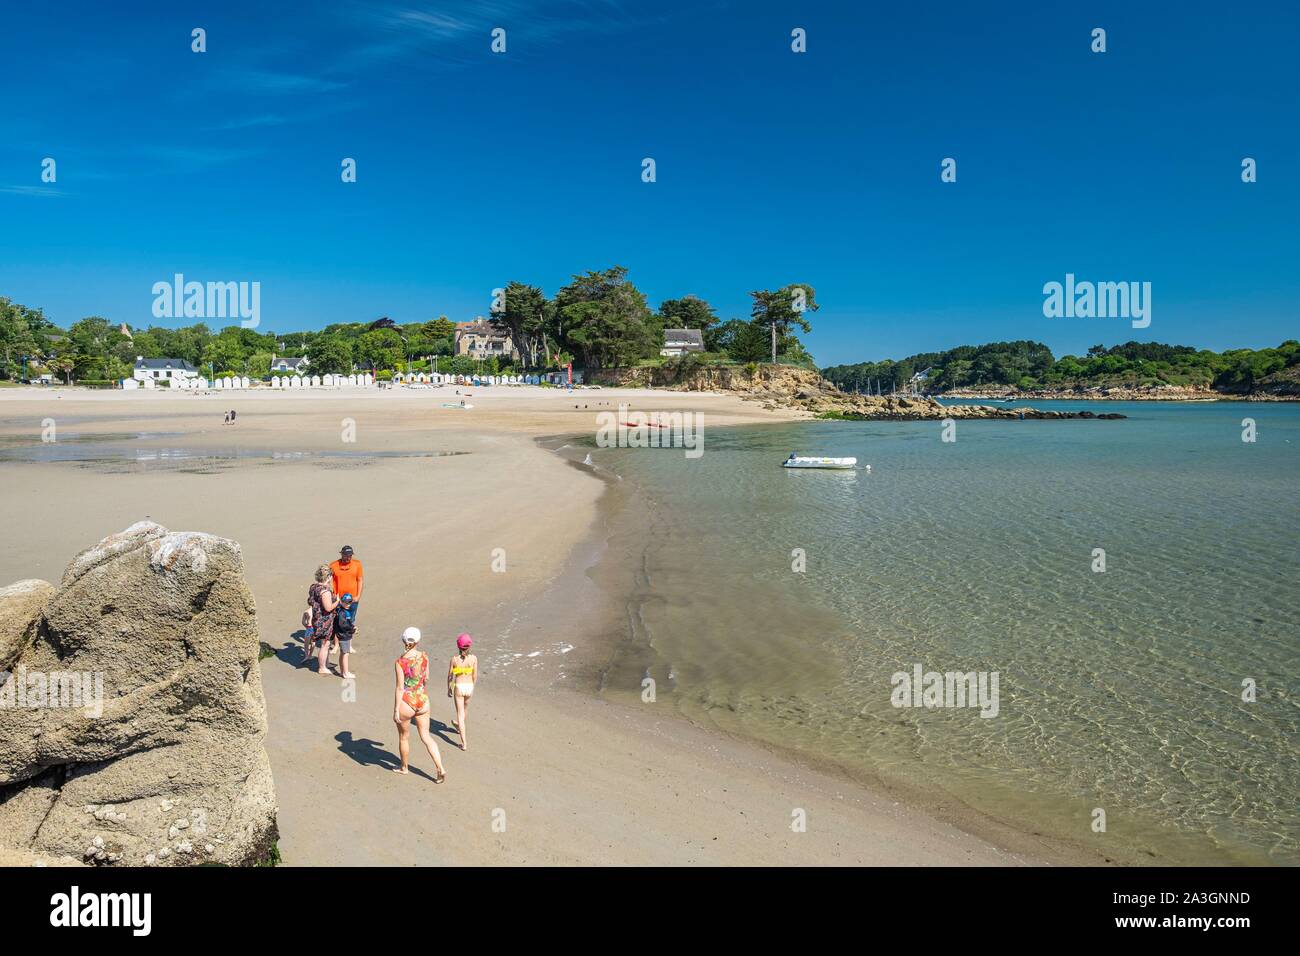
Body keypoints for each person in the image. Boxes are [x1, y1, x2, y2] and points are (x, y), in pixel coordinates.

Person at [393, 627, 446, 782]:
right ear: (418, 641)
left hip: (407, 701)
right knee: (426, 736)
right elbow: (426, 678)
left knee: (404, 737)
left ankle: (404, 768)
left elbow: (400, 687)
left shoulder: (400, 662)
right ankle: (440, 768)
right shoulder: (424, 656)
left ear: (404, 640)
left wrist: (396, 710)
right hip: (422, 699)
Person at [446, 633, 478, 751]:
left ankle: (464, 743)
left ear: (458, 647)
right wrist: (472, 686)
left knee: (460, 714)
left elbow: (450, 676)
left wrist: (449, 687)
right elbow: (475, 675)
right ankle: (459, 727)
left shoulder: (454, 659)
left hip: (459, 686)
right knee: (465, 709)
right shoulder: (473, 658)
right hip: (469, 686)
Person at [307, 565, 339, 676]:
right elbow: (328, 607)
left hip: (317, 618)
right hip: (324, 621)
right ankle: (322, 667)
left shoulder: (313, 587)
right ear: (329, 577)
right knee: (325, 644)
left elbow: (311, 601)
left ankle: (326, 662)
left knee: (325, 642)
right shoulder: (325, 591)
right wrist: (338, 601)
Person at [329, 546, 363, 629]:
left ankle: (349, 635)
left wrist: (358, 596)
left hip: (353, 598)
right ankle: (337, 639)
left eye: (350, 555)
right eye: (346, 555)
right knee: (337, 619)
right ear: (341, 554)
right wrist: (333, 595)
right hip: (338, 599)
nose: (348, 557)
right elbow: (329, 581)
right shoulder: (333, 565)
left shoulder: (357, 564)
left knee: (351, 618)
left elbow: (360, 580)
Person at [334, 593, 357, 679]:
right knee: (345, 654)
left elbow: (347, 623)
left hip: (344, 634)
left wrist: (352, 627)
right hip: (344, 635)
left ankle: (342, 671)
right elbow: (343, 625)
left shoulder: (343, 611)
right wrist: (352, 629)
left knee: (343, 653)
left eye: (350, 602)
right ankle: (345, 673)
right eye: (346, 602)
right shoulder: (342, 613)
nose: (348, 604)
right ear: (341, 602)